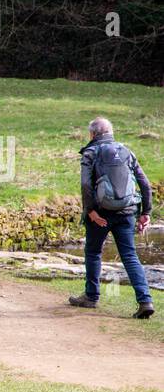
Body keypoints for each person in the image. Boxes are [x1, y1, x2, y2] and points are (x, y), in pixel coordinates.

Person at [68, 117, 154, 319]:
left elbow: (86, 186)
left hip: (100, 213)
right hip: (127, 212)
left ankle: (91, 297)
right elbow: (145, 184)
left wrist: (91, 212)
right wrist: (146, 213)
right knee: (130, 256)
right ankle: (145, 300)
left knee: (93, 252)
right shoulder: (126, 151)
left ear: (92, 134)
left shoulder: (90, 152)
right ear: (110, 132)